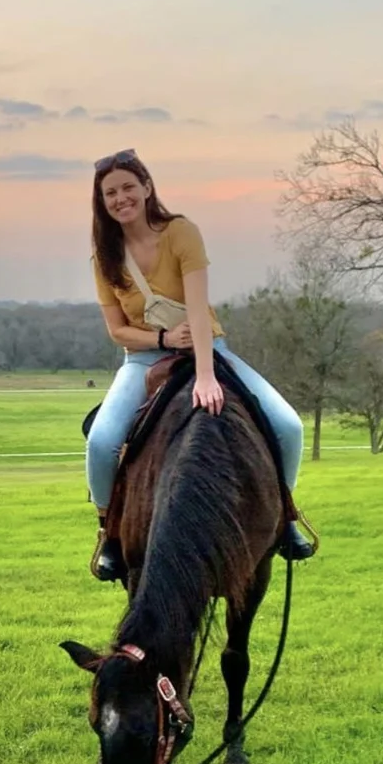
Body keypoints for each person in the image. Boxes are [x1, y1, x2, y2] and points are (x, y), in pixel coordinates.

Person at [85, 148, 315, 582]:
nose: (120, 198)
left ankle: (284, 515)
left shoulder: (181, 232)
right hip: (144, 359)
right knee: (101, 441)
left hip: (209, 349)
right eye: (110, 193)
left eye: (128, 187)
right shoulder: (105, 256)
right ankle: (109, 533)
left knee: (288, 426)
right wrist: (161, 339)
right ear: (102, 202)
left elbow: (197, 308)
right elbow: (117, 330)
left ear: (147, 188)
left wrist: (207, 375)